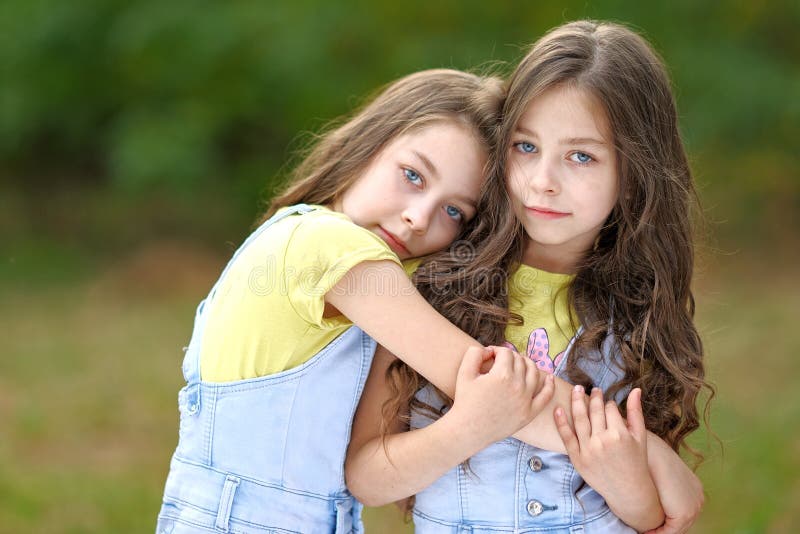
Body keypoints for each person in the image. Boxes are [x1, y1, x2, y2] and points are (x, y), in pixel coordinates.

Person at [155, 68, 564, 534]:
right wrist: (640, 453)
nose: (417, 217)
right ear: (369, 144)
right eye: (412, 175)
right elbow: (487, 381)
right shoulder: (330, 246)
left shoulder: (333, 247)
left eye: (454, 211)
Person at [345, 20, 710, 533]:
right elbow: (367, 475)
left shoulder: (638, 311)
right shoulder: (435, 289)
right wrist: (467, 429)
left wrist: (631, 485)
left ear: (635, 172)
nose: (543, 182)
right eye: (526, 147)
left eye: (581, 156)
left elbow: (659, 515)